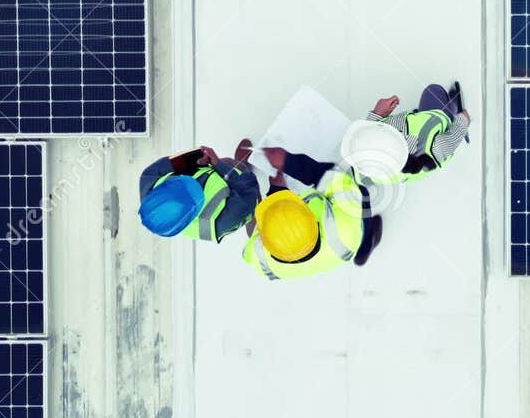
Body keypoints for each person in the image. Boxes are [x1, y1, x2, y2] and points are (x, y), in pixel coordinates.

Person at [243, 159, 382, 280]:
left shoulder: (260, 258)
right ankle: (365, 246)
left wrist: (276, 189)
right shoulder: (343, 227)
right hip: (347, 246)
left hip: (329, 257)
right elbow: (337, 178)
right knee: (361, 194)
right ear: (313, 218)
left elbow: (250, 247)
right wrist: (289, 162)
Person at [335, 82, 472, 185]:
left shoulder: (370, 169)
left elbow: (370, 141)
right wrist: (463, 119)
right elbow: (455, 135)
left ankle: (421, 115)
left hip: (411, 132)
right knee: (433, 91)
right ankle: (451, 112)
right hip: (440, 128)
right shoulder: (434, 148)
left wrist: (377, 114)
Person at [137, 139, 261, 243]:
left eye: (181, 182)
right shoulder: (220, 222)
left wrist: (197, 158)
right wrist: (220, 166)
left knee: (229, 163)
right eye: (195, 191)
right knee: (252, 202)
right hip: (240, 202)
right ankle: (256, 220)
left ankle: (237, 165)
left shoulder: (149, 179)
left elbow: (174, 162)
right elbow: (249, 188)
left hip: (215, 177)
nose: (193, 181)